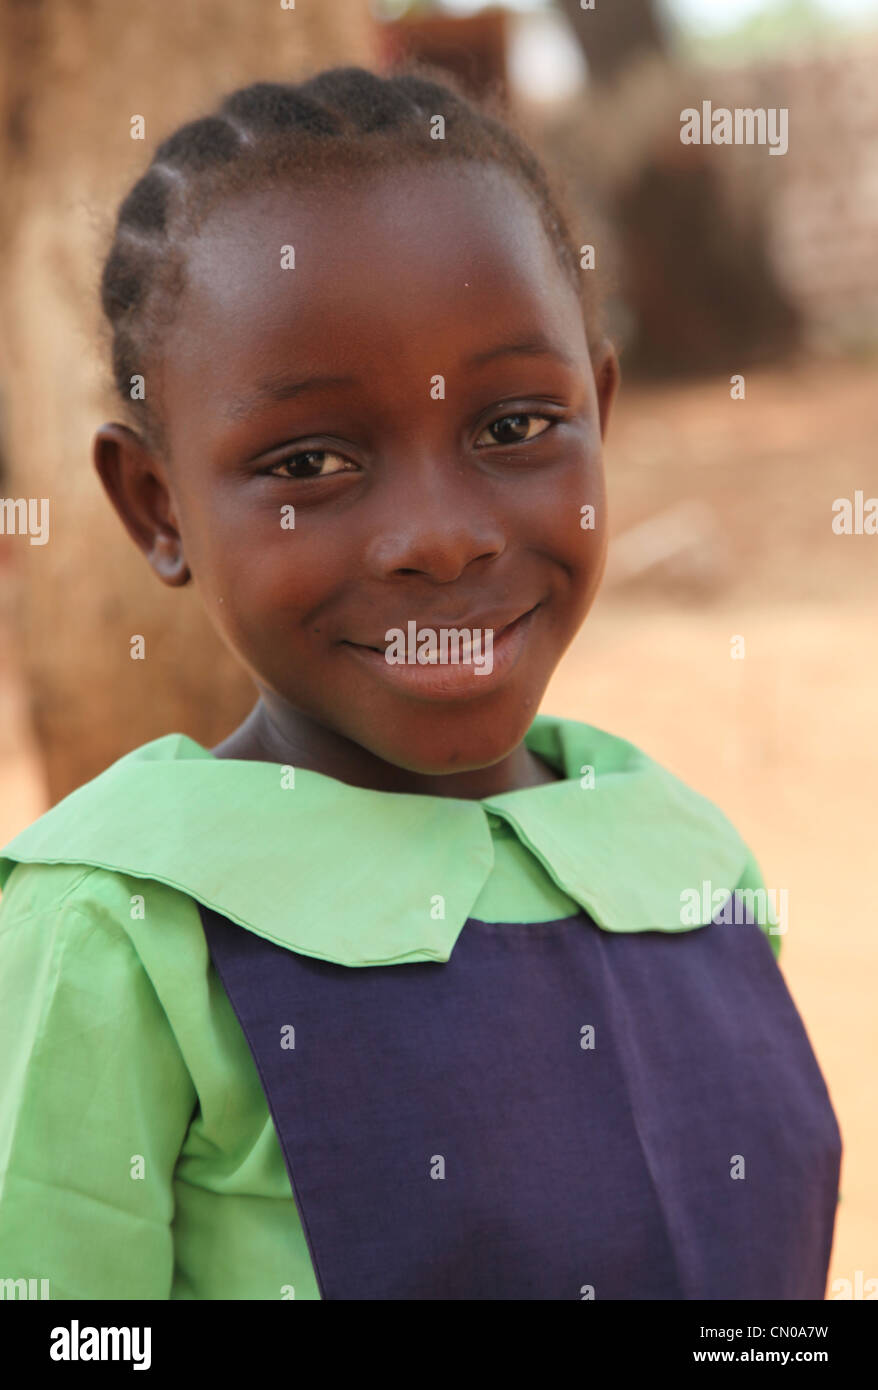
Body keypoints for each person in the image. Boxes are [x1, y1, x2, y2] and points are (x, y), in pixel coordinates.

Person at [0, 66, 841, 1300]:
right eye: (310, 458)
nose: (441, 537)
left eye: (512, 427)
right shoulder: (124, 922)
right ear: (157, 507)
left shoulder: (680, 855)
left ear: (599, 417)